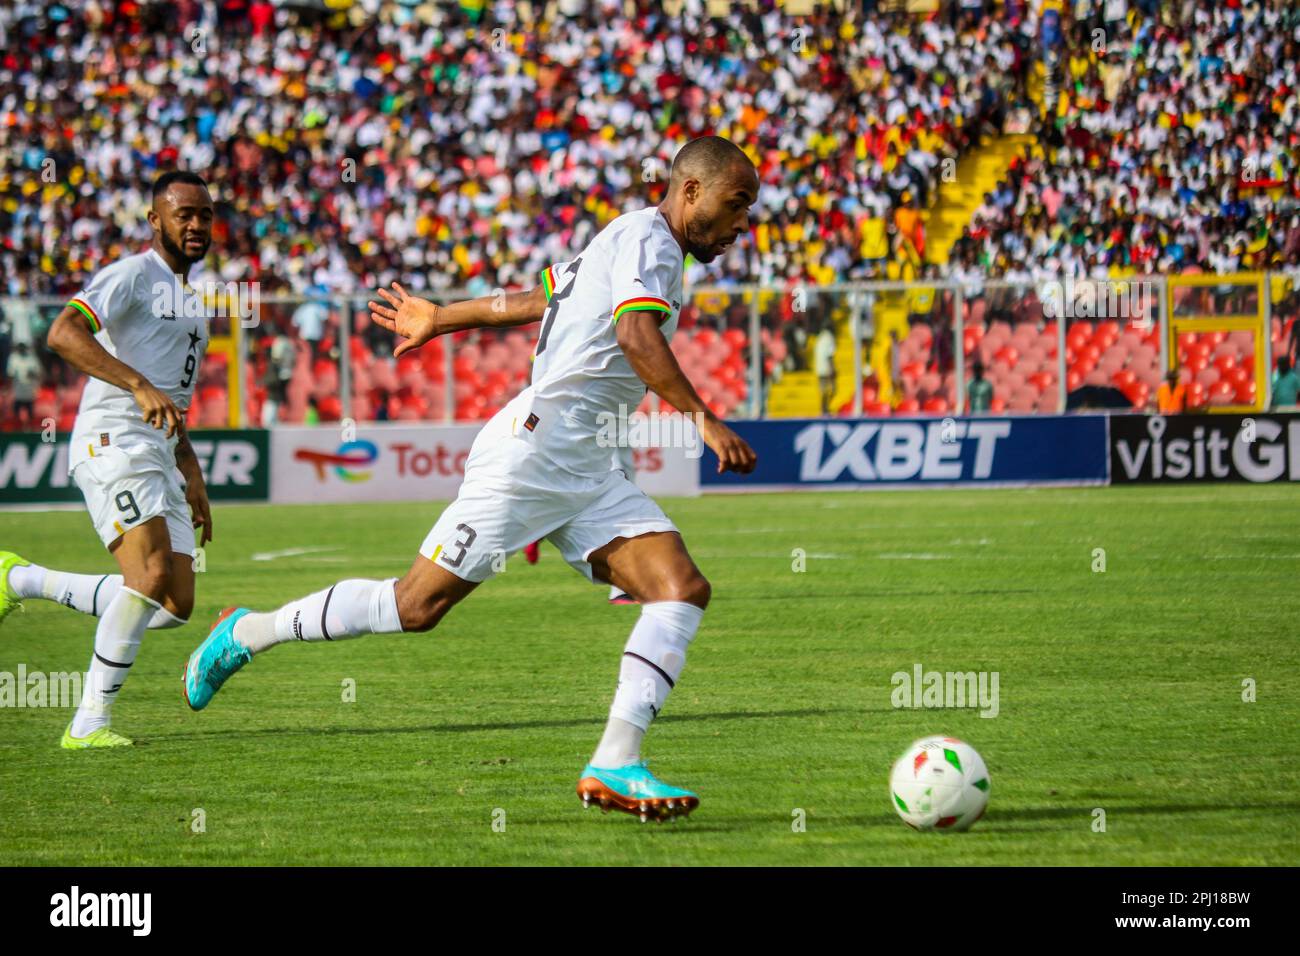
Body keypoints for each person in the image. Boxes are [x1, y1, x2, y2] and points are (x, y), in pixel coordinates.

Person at [182, 136, 759, 822]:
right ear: (691, 190)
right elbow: (636, 337)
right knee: (414, 607)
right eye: (736, 203)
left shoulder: (629, 241)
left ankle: (615, 763)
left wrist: (439, 318)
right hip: (534, 456)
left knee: (680, 588)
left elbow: (535, 297)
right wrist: (701, 418)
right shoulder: (650, 243)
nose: (741, 223)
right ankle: (249, 631)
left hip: (587, 467)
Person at [0, 171, 216, 749]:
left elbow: (176, 399)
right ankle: (88, 724)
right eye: (183, 214)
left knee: (173, 603)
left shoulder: (195, 304)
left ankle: (20, 578)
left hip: (160, 455)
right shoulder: (130, 276)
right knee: (145, 578)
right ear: (155, 220)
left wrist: (191, 471)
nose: (195, 225)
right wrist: (136, 384)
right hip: (112, 442)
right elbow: (64, 333)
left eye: (204, 215)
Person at [6, 341, 42, 428]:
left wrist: (32, 374)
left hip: (29, 392)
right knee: (16, 415)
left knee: (30, 415)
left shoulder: (31, 358)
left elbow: (38, 373)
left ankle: (29, 431)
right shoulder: (13, 358)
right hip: (18, 392)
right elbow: (10, 374)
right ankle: (17, 431)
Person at [814, 320, 837, 415]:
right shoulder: (830, 338)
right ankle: (825, 409)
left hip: (819, 367)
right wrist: (832, 368)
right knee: (832, 389)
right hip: (827, 368)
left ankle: (824, 409)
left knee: (823, 389)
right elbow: (829, 355)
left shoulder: (819, 337)